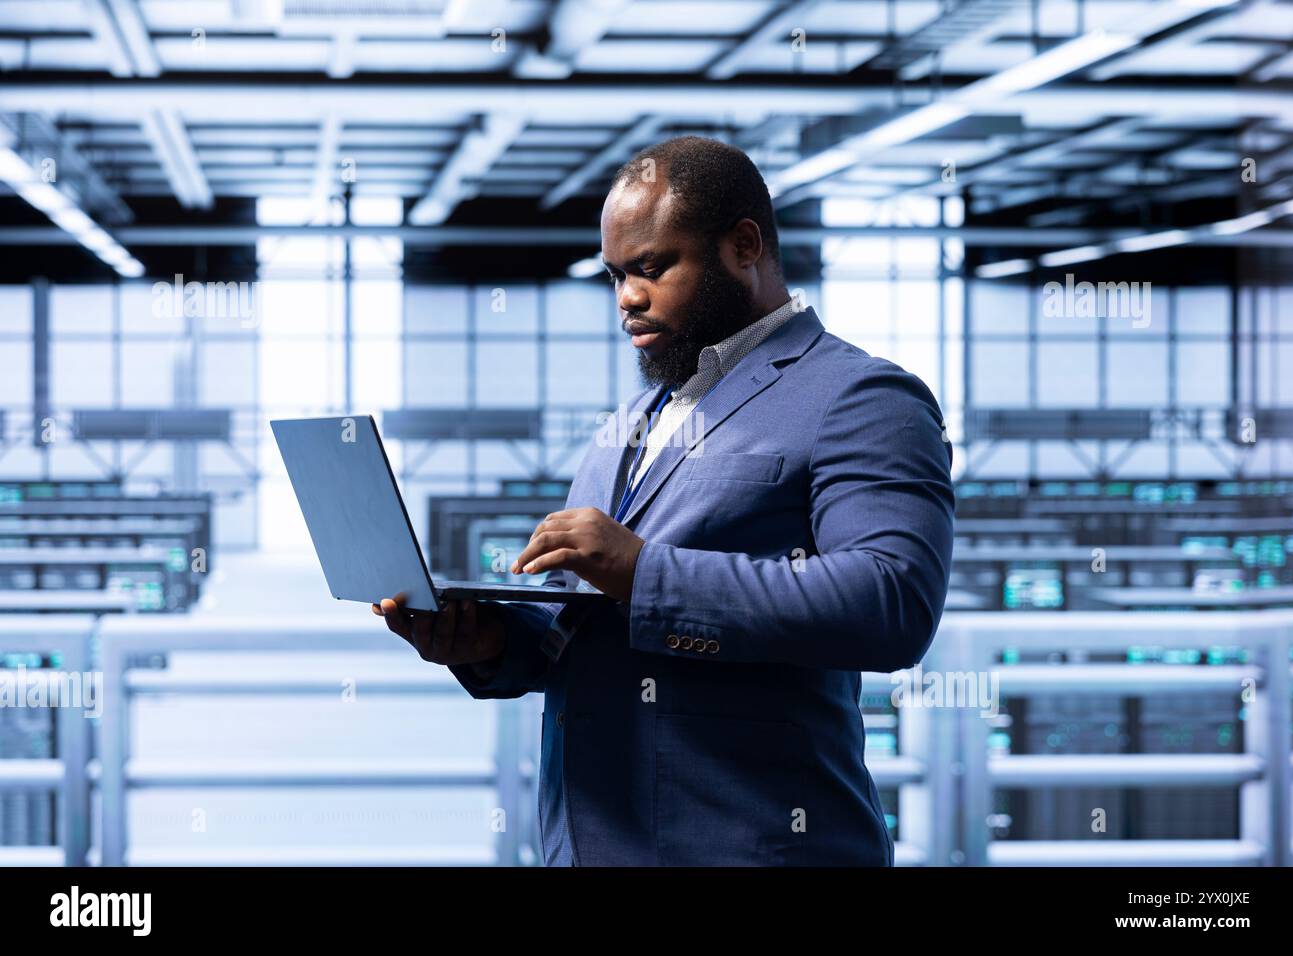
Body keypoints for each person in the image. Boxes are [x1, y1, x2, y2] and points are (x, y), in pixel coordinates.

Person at [375, 135, 954, 866]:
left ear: (744, 246)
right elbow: (578, 624)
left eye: (650, 268)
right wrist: (490, 644)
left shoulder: (861, 396)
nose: (626, 297)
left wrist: (644, 572)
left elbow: (891, 605)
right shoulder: (634, 419)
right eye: (616, 274)